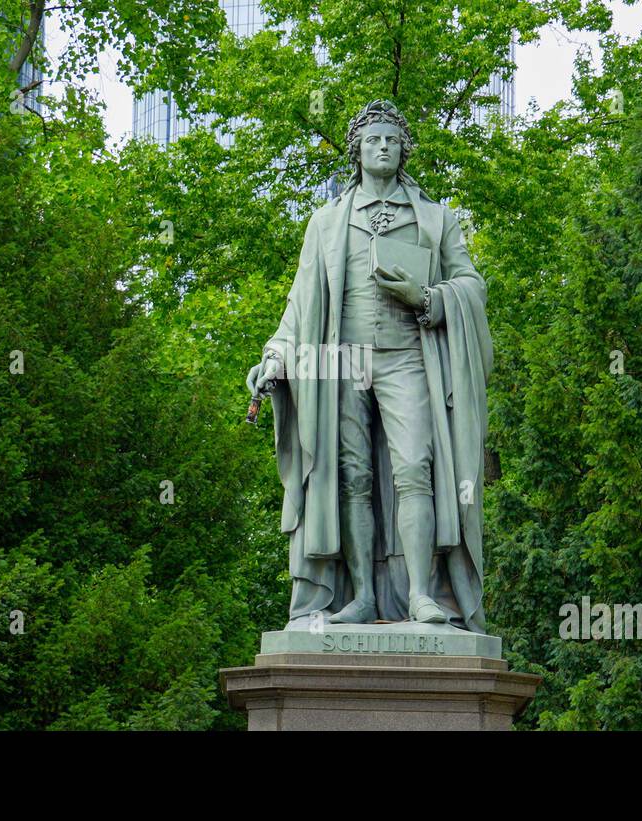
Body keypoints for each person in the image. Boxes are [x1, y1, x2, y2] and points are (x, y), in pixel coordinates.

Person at [246, 99, 493, 633]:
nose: (383, 146)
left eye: (392, 139)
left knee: (414, 469)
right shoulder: (327, 222)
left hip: (408, 356)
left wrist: (426, 297)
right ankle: (358, 596)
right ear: (357, 150)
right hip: (341, 360)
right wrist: (274, 357)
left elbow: (473, 286)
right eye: (373, 139)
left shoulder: (434, 217)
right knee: (352, 476)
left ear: (404, 150)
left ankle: (423, 597)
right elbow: (300, 303)